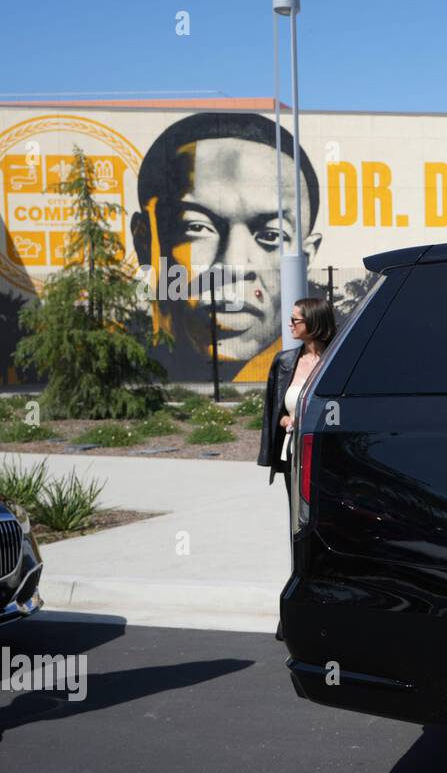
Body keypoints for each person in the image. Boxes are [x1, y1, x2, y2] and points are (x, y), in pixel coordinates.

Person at [129, 112, 323, 384]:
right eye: (196, 227)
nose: (236, 265)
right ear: (144, 240)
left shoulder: (313, 373)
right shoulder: (124, 363)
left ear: (305, 258)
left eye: (271, 234)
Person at [258, 296, 336, 532]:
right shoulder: (284, 362)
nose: (290, 324)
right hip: (294, 454)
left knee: (328, 517)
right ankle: (299, 565)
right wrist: (286, 420)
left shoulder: (335, 361)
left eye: (295, 319)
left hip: (328, 452)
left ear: (313, 322)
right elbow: (276, 412)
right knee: (298, 520)